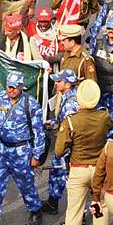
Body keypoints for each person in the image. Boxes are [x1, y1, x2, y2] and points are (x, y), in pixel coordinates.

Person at [0, 71, 45, 225]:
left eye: (15, 87)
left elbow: (39, 132)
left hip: (21, 150)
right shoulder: (0, 99)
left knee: (26, 184)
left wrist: (37, 156)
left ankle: (35, 211)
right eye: (9, 87)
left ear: (22, 86)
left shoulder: (31, 104)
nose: (11, 90)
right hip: (1, 150)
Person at [54, 79, 113, 225]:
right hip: (99, 169)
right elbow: (110, 128)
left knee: (74, 211)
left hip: (78, 169)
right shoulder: (104, 116)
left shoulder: (71, 121)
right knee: (101, 204)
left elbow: (58, 150)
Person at [42, 69, 80, 215]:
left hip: (68, 148)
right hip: (63, 144)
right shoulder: (66, 96)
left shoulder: (71, 104)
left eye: (59, 81)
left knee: (71, 181)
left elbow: (71, 127)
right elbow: (63, 121)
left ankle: (79, 214)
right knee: (56, 172)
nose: (56, 84)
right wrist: (52, 122)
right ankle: (53, 202)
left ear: (68, 84)